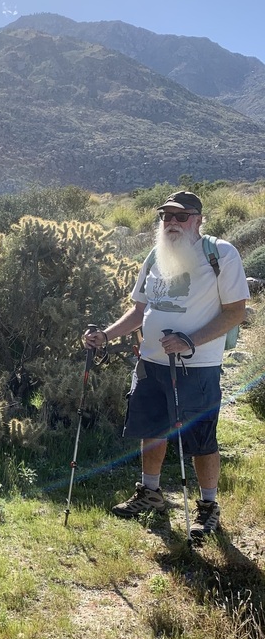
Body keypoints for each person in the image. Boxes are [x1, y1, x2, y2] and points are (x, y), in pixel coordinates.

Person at [85, 190, 249, 539]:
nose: (172, 222)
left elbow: (236, 312)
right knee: (151, 428)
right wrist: (108, 335)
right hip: (150, 362)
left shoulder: (220, 254)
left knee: (201, 438)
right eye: (166, 216)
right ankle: (151, 493)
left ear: (198, 219)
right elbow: (139, 310)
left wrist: (191, 341)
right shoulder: (155, 255)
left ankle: (207, 507)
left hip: (197, 365)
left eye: (181, 216)